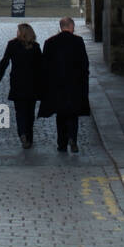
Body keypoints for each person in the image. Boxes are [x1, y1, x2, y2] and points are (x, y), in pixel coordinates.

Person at [38, 16, 90, 153]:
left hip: (57, 85)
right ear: (71, 26)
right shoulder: (78, 41)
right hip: (74, 84)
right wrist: (84, 81)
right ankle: (73, 138)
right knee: (73, 114)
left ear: (61, 27)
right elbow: (84, 64)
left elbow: (44, 66)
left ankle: (62, 143)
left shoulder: (49, 42)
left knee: (60, 115)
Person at [0, 22, 43, 148]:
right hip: (33, 84)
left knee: (20, 111)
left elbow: (4, 61)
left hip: (17, 83)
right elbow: (41, 67)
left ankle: (22, 133)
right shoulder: (36, 47)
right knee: (30, 112)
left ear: (21, 33)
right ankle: (29, 137)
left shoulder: (12, 45)